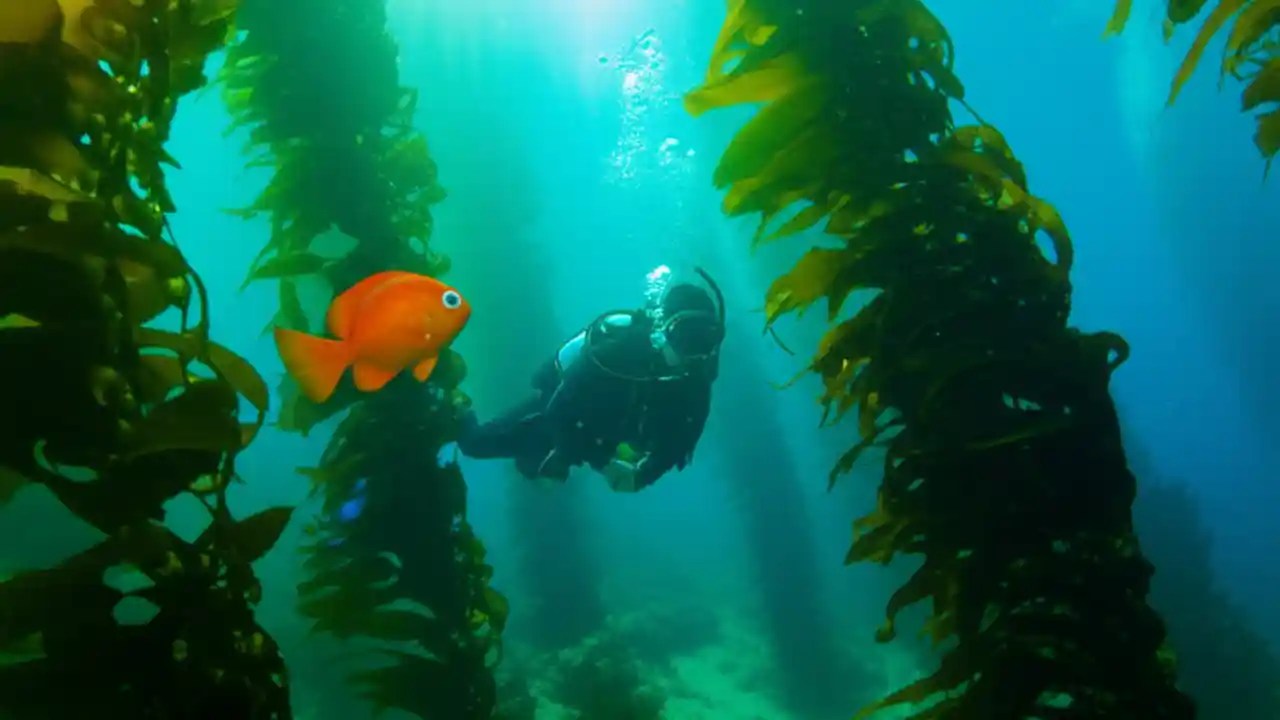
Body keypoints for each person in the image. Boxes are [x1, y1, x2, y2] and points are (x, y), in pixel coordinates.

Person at [455, 267, 726, 492]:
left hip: (609, 437)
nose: (693, 351)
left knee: (540, 466)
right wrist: (603, 462)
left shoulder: (697, 378)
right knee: (474, 444)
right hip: (565, 414)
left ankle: (541, 460)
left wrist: (642, 477)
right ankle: (454, 407)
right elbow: (559, 410)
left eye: (705, 339)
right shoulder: (618, 352)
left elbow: (680, 443)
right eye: (686, 334)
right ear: (662, 329)